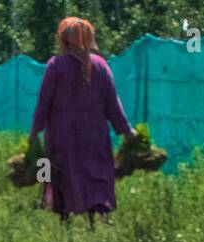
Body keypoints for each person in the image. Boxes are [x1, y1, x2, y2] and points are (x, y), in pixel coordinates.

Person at [29, 16, 137, 226]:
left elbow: (44, 104)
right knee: (96, 175)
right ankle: (96, 219)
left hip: (63, 139)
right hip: (95, 138)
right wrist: (127, 132)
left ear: (63, 40)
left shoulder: (56, 66)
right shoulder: (101, 66)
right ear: (89, 39)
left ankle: (64, 219)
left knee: (62, 176)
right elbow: (113, 105)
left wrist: (34, 133)